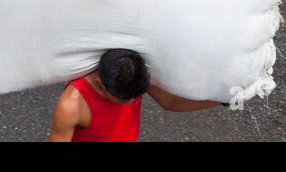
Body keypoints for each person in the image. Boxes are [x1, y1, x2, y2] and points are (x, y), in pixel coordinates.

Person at [49, 48, 222, 142]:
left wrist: (223, 100)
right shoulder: (71, 106)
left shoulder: (134, 76)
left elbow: (170, 102)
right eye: (124, 99)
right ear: (102, 84)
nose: (131, 101)